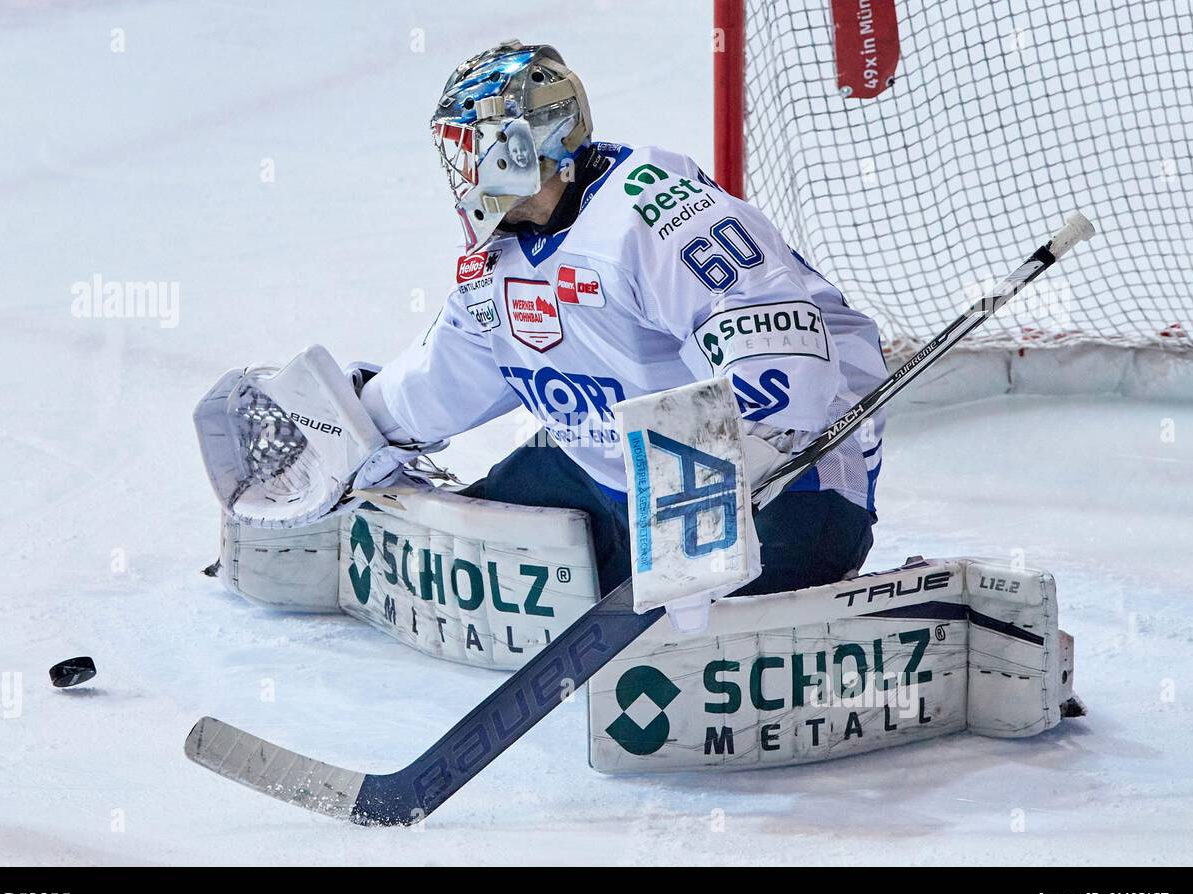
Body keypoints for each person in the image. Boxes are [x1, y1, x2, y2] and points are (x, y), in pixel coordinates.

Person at [358, 40, 888, 596]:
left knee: (714, 612)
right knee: (450, 541)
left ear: (526, 145)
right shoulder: (498, 259)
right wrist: (357, 428)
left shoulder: (653, 212)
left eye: (476, 150)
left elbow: (776, 346)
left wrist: (747, 445)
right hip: (615, 470)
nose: (464, 172)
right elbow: (445, 379)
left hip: (786, 489)